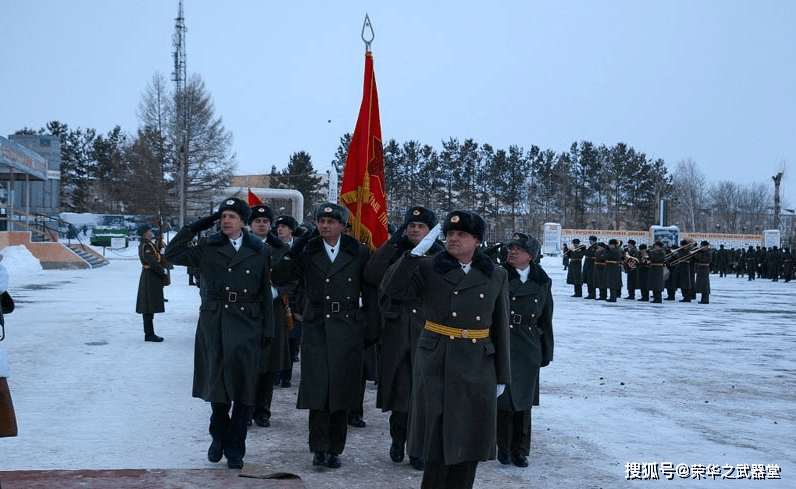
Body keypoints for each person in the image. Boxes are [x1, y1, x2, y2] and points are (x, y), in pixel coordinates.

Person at [381, 210, 511, 489]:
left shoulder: (495, 274)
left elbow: (500, 326)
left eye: (461, 234)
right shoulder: (429, 267)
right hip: (437, 358)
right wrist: (412, 255)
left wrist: (502, 374)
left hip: (478, 362)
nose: (453, 239)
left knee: (470, 438)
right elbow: (392, 288)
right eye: (450, 234)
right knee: (438, 438)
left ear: (476, 240)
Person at [164, 198, 274, 470]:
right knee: (219, 387)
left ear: (242, 221)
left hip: (248, 323)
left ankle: (236, 448)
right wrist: (195, 226)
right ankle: (218, 436)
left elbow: (264, 293)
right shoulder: (208, 247)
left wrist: (268, 330)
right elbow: (171, 254)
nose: (226, 221)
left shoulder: (259, 250)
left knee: (244, 390)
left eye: (232, 216)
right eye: (223, 216)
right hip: (216, 323)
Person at [271, 202, 375, 470]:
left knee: (341, 389)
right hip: (317, 325)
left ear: (343, 225)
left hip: (347, 326)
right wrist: (293, 250)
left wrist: (371, 327)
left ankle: (335, 449)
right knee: (318, 389)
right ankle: (318, 448)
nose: (325, 226)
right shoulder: (307, 251)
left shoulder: (359, 252)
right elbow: (281, 277)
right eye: (321, 221)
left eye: (331, 221)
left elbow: (371, 291)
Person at [363, 205, 443, 471]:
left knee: (424, 395)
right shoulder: (396, 251)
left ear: (430, 231)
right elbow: (372, 274)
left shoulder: (441, 255)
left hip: (428, 329)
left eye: (421, 227)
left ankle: (418, 448)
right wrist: (391, 244)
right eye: (410, 226)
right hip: (397, 330)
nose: (415, 230)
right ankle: (398, 440)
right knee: (400, 392)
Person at [496, 233, 553, 469]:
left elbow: (546, 317)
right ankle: (503, 447)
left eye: (518, 249)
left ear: (530, 255)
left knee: (524, 401)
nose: (512, 252)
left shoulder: (542, 280)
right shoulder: (498, 274)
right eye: (511, 248)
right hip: (504, 339)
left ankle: (521, 449)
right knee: (504, 398)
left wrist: (546, 350)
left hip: (529, 343)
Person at [247, 205, 291, 428]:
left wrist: (277, 291)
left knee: (268, 363)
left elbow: (292, 277)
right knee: (247, 363)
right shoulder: (242, 245)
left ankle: (262, 411)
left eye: (265, 221)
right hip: (247, 310)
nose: (262, 224)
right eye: (257, 221)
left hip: (273, 309)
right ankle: (245, 410)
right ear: (250, 224)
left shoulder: (280, 248)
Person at [274, 214, 302, 388]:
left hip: (295, 300)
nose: (280, 229)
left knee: (292, 340)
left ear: (291, 229)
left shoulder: (300, 247)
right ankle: (276, 373)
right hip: (276, 298)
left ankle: (287, 375)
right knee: (277, 338)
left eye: (284, 226)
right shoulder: (272, 247)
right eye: (278, 226)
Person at [135, 223, 166, 342]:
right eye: (149, 231)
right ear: (144, 233)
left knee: (150, 306)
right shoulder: (146, 245)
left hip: (151, 276)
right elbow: (152, 261)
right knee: (148, 306)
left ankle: (149, 333)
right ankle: (149, 334)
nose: (151, 232)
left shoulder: (148, 244)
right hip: (150, 276)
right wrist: (162, 271)